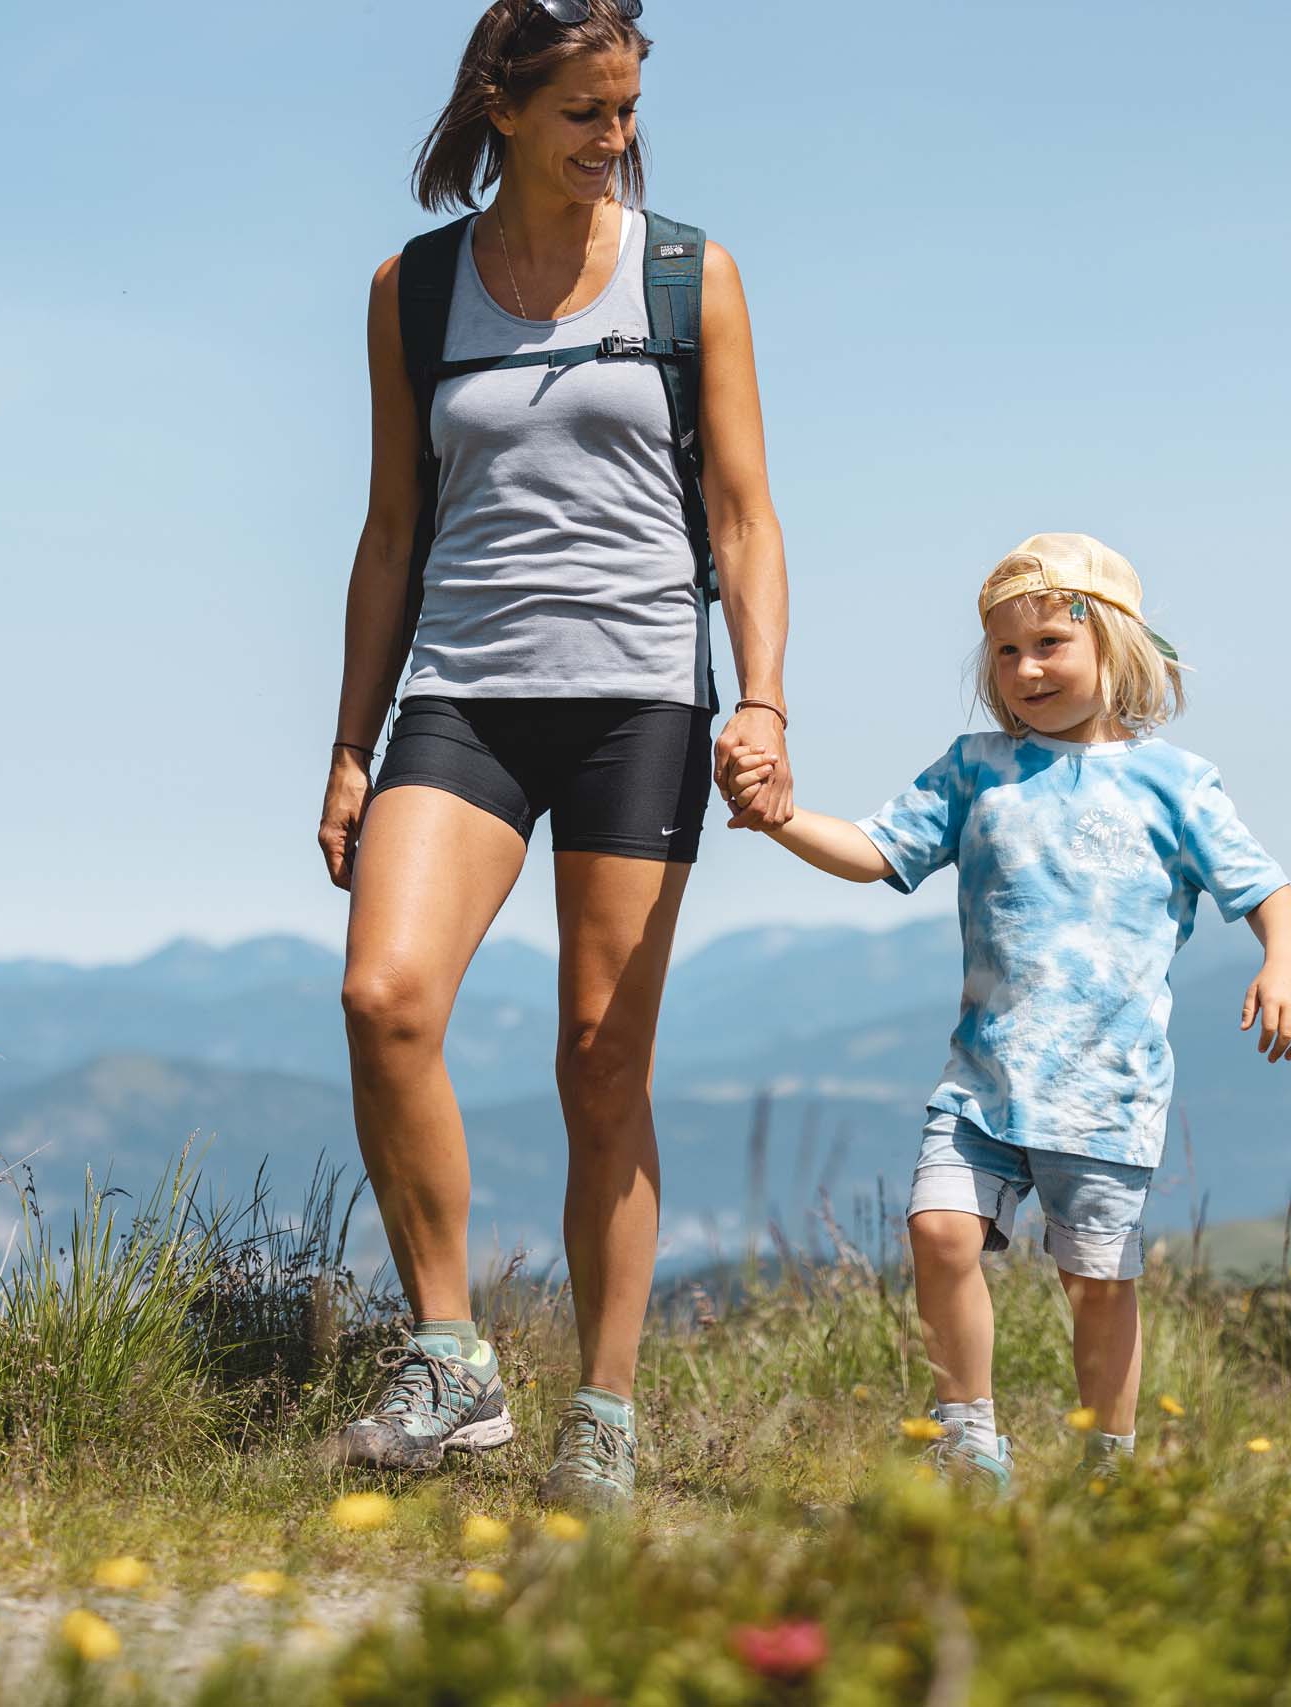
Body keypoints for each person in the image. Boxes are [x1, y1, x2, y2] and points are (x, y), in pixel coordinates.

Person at [316, 0, 794, 1512]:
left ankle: (604, 1407)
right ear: (505, 106)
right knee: (383, 997)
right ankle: (453, 1358)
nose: (614, 139)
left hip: (638, 698)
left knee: (602, 1057)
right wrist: (347, 740)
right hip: (458, 690)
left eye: (628, 108)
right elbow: (392, 530)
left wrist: (761, 697)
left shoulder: (686, 273)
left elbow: (742, 513)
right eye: (585, 110)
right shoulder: (414, 291)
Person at [726, 534, 1291, 1491]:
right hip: (984, 1079)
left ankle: (1107, 1468)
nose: (1026, 668)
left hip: (1106, 1091)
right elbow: (878, 850)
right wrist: (781, 817)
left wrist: (1285, 962)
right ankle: (968, 1440)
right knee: (938, 1233)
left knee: (1096, 1285)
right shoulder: (975, 768)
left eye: (1050, 643)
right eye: (1005, 652)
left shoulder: (1178, 782)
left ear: (1115, 650)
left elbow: (1265, 887)